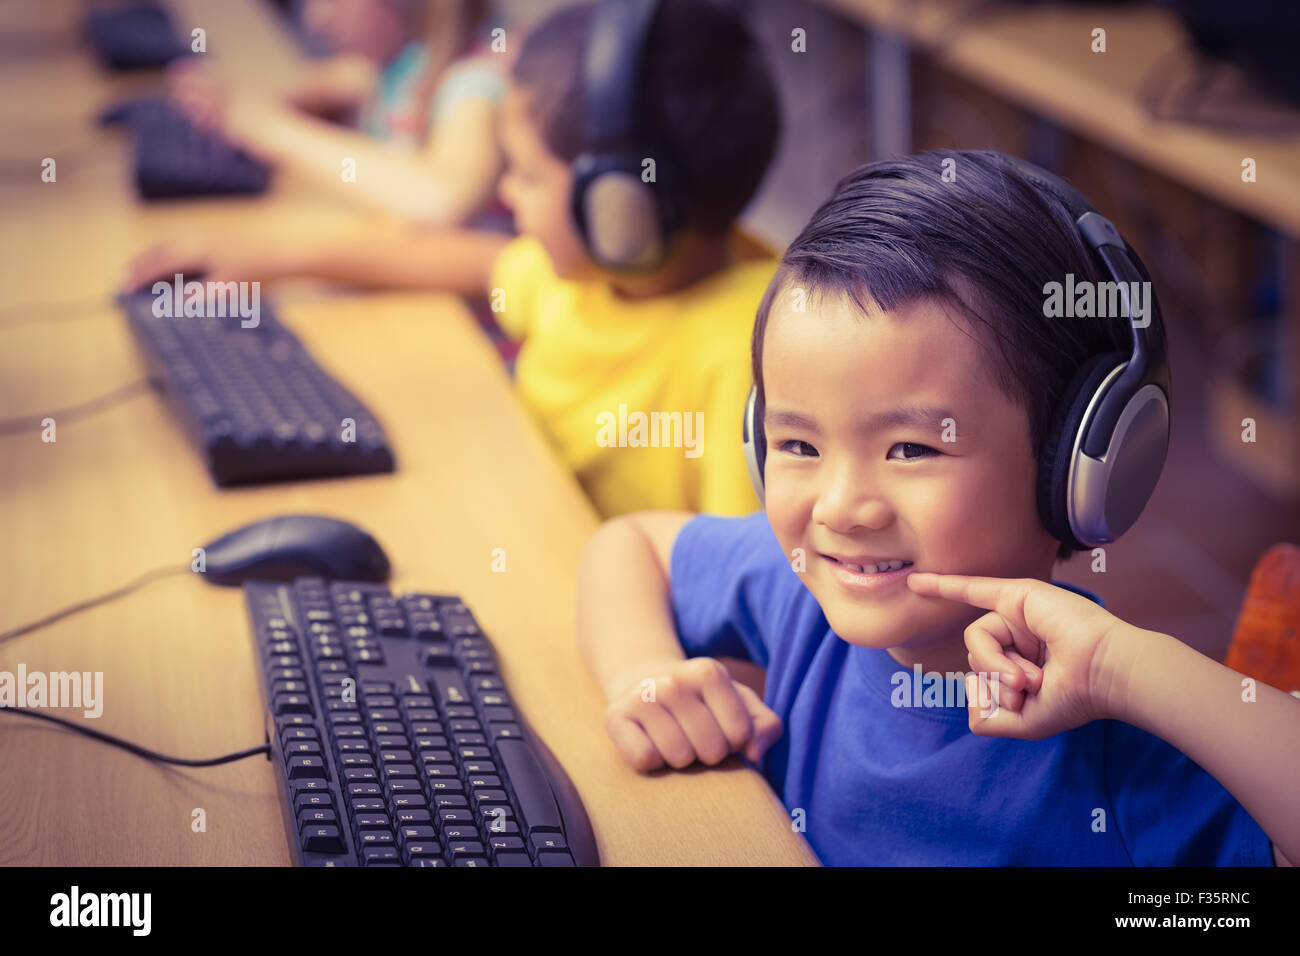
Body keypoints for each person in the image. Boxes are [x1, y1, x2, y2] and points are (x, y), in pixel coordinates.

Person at [575, 151, 1298, 866]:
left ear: (1081, 466)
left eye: (911, 449)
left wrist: (1122, 668)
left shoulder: (1118, 742)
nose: (842, 508)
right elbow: (630, 545)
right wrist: (642, 670)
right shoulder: (800, 598)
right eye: (798, 444)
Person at [126, 0, 784, 519]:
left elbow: (744, 590)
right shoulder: (592, 281)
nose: (506, 193)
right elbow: (474, 262)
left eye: (526, 176)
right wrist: (273, 259)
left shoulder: (740, 359)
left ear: (618, 206)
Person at [169, 0, 506, 226]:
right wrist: (260, 102)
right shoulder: (397, 63)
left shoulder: (477, 83)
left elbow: (440, 200)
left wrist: (262, 125)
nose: (315, 19)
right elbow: (338, 79)